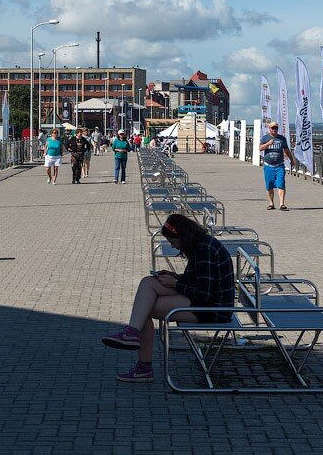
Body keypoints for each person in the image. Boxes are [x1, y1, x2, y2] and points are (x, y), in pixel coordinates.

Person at [101, 213, 234, 382]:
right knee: (148, 284)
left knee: (144, 309)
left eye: (174, 242)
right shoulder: (201, 244)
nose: (174, 247)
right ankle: (132, 336)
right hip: (208, 302)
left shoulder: (204, 250)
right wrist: (175, 277)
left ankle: (140, 358)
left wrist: (175, 284)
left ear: (182, 237)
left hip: (214, 309)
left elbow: (205, 294)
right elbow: (199, 281)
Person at [259, 121, 295, 210]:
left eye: (276, 128)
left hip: (279, 165)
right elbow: (260, 148)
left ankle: (282, 204)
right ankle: (271, 203)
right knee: (269, 185)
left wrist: (292, 159)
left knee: (281, 183)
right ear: (269, 129)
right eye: (273, 128)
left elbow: (286, 150)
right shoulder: (265, 138)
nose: (274, 130)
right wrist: (268, 144)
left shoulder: (282, 139)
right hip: (268, 166)